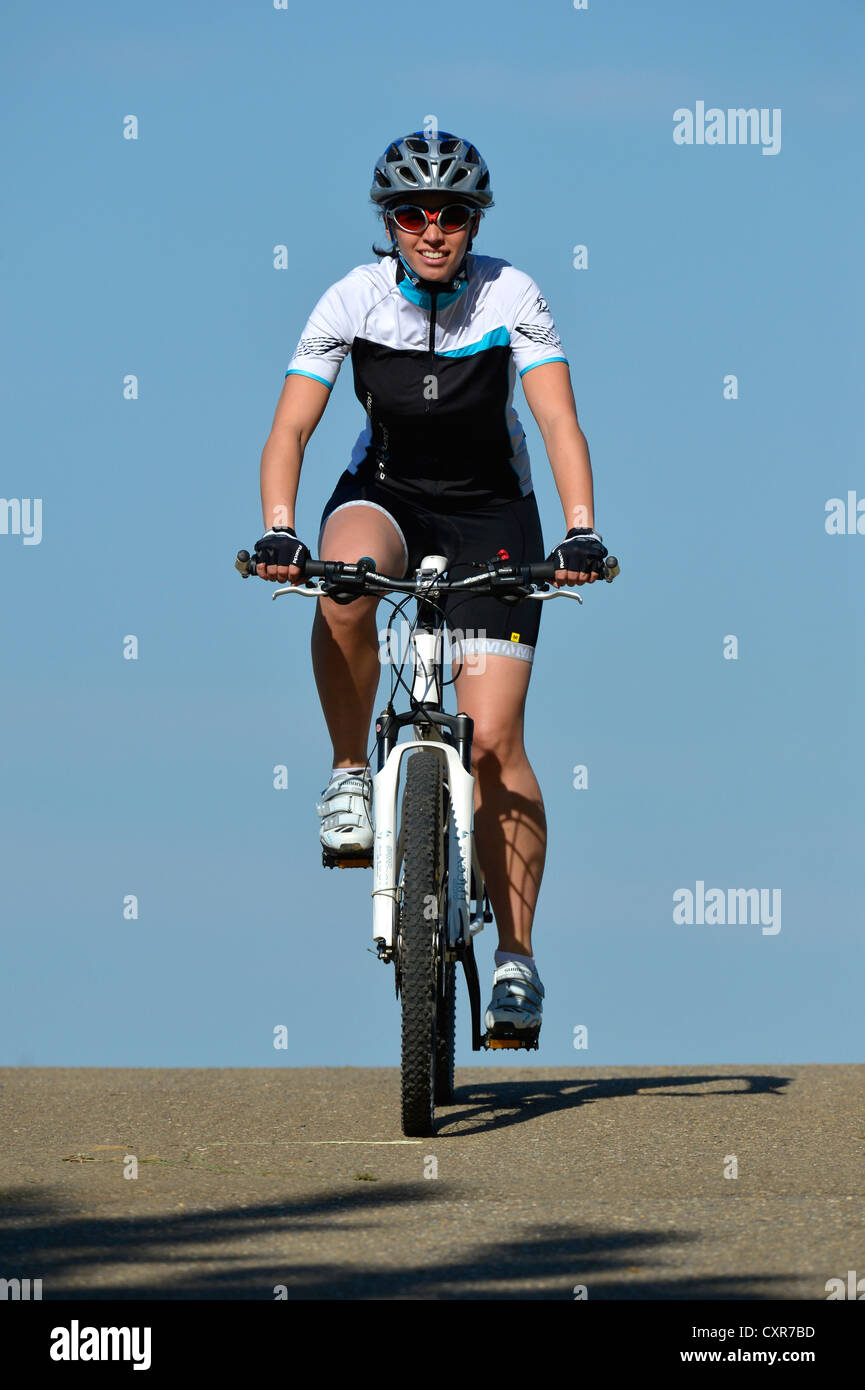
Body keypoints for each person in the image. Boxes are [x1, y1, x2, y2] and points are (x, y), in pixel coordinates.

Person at [254, 130, 608, 1043]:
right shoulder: (352, 298)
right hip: (388, 498)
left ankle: (517, 963)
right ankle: (345, 776)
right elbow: (291, 429)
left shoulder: (511, 294)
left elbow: (557, 419)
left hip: (494, 517)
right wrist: (281, 531)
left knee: (492, 742)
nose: (432, 230)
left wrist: (578, 532)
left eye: (451, 215)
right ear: (389, 223)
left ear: (473, 222)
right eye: (413, 214)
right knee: (346, 582)